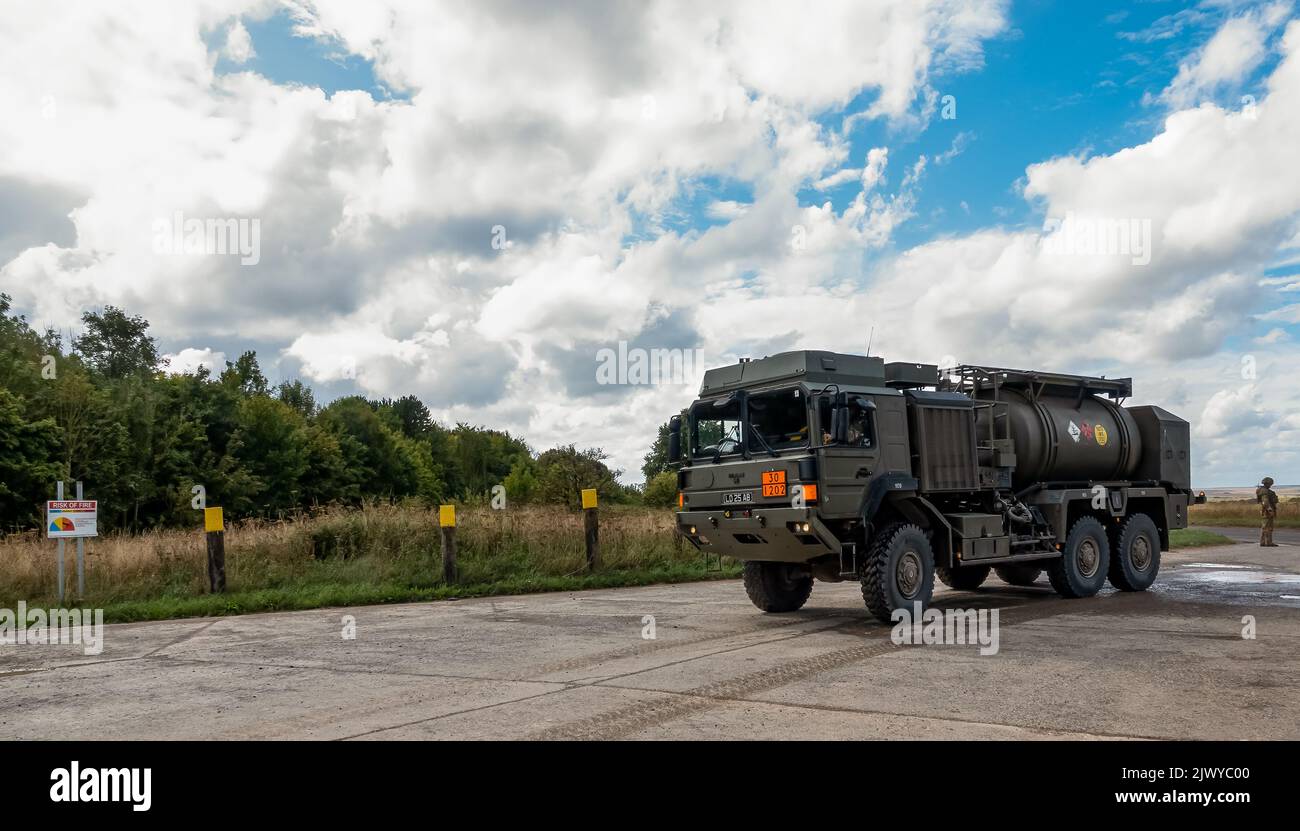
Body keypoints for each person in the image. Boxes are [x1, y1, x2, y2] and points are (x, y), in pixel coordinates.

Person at [1256, 476, 1279, 547]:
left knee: (1265, 527)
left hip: (1265, 510)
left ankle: (1263, 542)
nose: (1271, 485)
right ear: (1268, 483)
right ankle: (1268, 542)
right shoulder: (1264, 491)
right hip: (1267, 511)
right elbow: (1265, 501)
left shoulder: (1263, 490)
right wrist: (1270, 509)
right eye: (1270, 483)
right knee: (1268, 527)